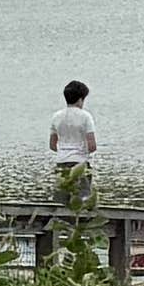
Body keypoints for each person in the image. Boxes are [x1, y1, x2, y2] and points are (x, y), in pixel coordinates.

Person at [47, 78, 98, 219]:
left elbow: (52, 145)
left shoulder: (56, 116)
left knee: (60, 201)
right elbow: (92, 145)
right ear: (81, 99)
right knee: (83, 200)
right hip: (80, 163)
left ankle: (58, 232)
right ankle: (81, 230)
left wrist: (64, 151)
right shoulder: (86, 117)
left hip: (61, 162)